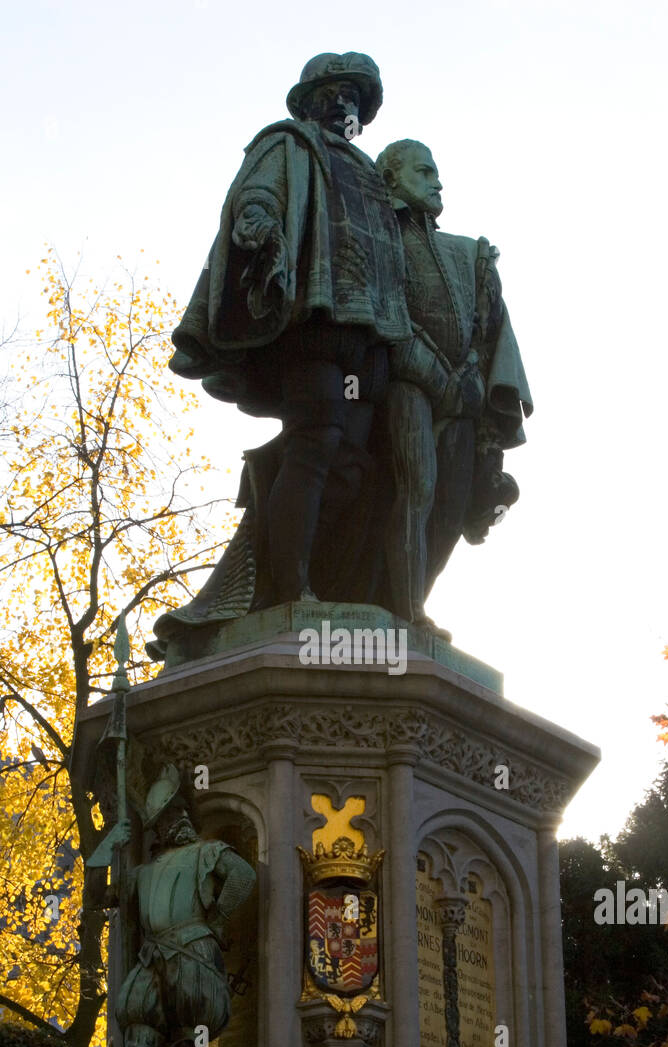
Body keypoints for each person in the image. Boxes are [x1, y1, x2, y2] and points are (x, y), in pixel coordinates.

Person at [163, 51, 410, 612]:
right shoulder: (291, 143)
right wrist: (258, 219)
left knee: (354, 457)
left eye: (357, 99)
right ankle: (286, 589)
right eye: (338, 95)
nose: (348, 108)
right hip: (312, 329)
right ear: (313, 101)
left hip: (365, 342)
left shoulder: (368, 173)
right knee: (317, 437)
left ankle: (317, 575)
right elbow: (260, 190)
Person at [373, 140, 533, 626]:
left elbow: (487, 328)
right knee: (418, 486)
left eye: (437, 173)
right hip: (406, 385)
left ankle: (416, 596)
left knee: (453, 502)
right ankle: (406, 608)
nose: (437, 182)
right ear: (391, 178)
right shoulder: (377, 236)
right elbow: (386, 313)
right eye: (424, 172)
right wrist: (437, 375)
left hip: (462, 393)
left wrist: (467, 376)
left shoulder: (467, 253)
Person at [78, 766, 255, 1047]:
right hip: (153, 964)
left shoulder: (208, 852)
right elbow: (97, 899)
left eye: (179, 813)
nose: (175, 822)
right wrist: (106, 851)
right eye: (166, 818)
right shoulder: (141, 873)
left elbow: (243, 878)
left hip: (193, 964)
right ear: (157, 828)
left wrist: (215, 920)